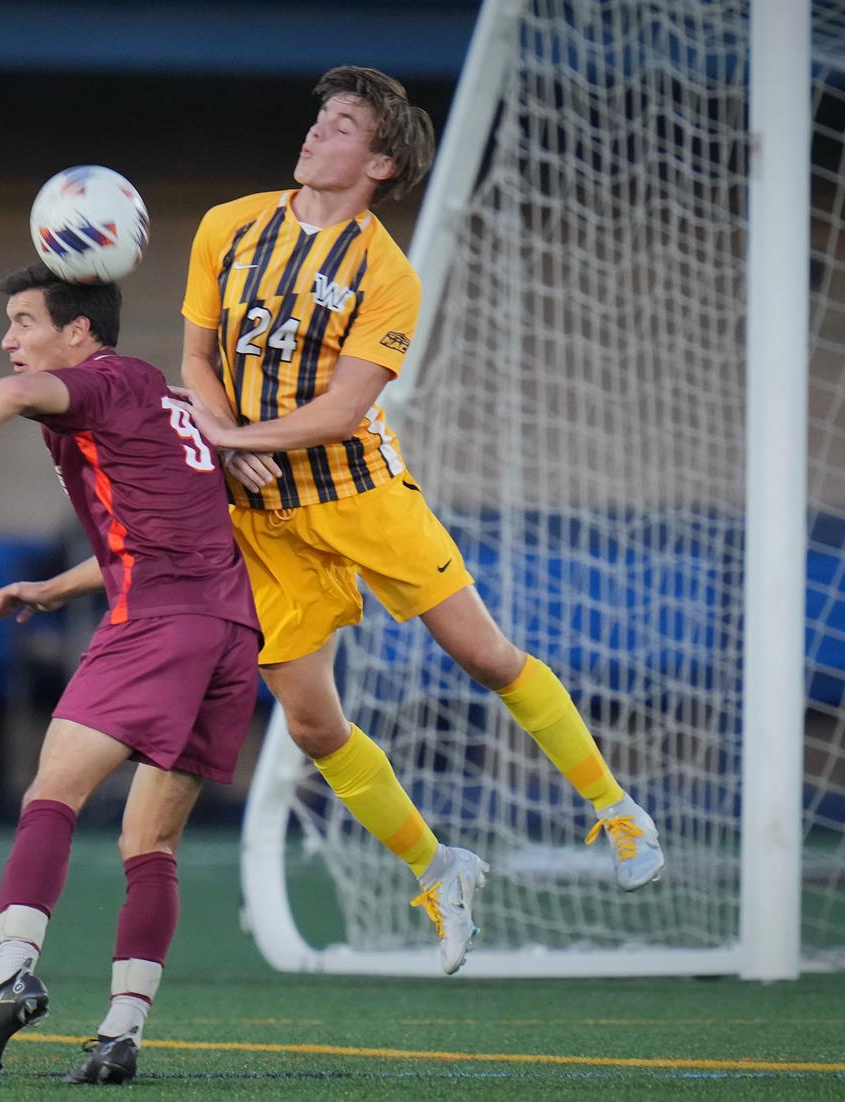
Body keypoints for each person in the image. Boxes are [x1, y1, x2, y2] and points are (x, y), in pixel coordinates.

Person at [178, 66, 665, 974]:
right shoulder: (228, 226)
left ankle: (615, 808)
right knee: (312, 725)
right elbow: (197, 360)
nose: (316, 133)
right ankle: (439, 869)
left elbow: (341, 411)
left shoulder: (388, 276)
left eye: (342, 126)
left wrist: (238, 439)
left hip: (362, 494)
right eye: (320, 118)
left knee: (485, 655)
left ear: (382, 163)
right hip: (264, 513)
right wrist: (225, 440)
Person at [0, 263, 260, 1087]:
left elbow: (13, 397)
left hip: (157, 621)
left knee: (51, 796)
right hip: (228, 632)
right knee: (150, 844)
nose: (9, 341)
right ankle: (121, 1034)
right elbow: (165, 528)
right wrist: (54, 587)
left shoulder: (100, 384)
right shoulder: (160, 399)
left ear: (78, 331)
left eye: (24, 322)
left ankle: (12, 974)